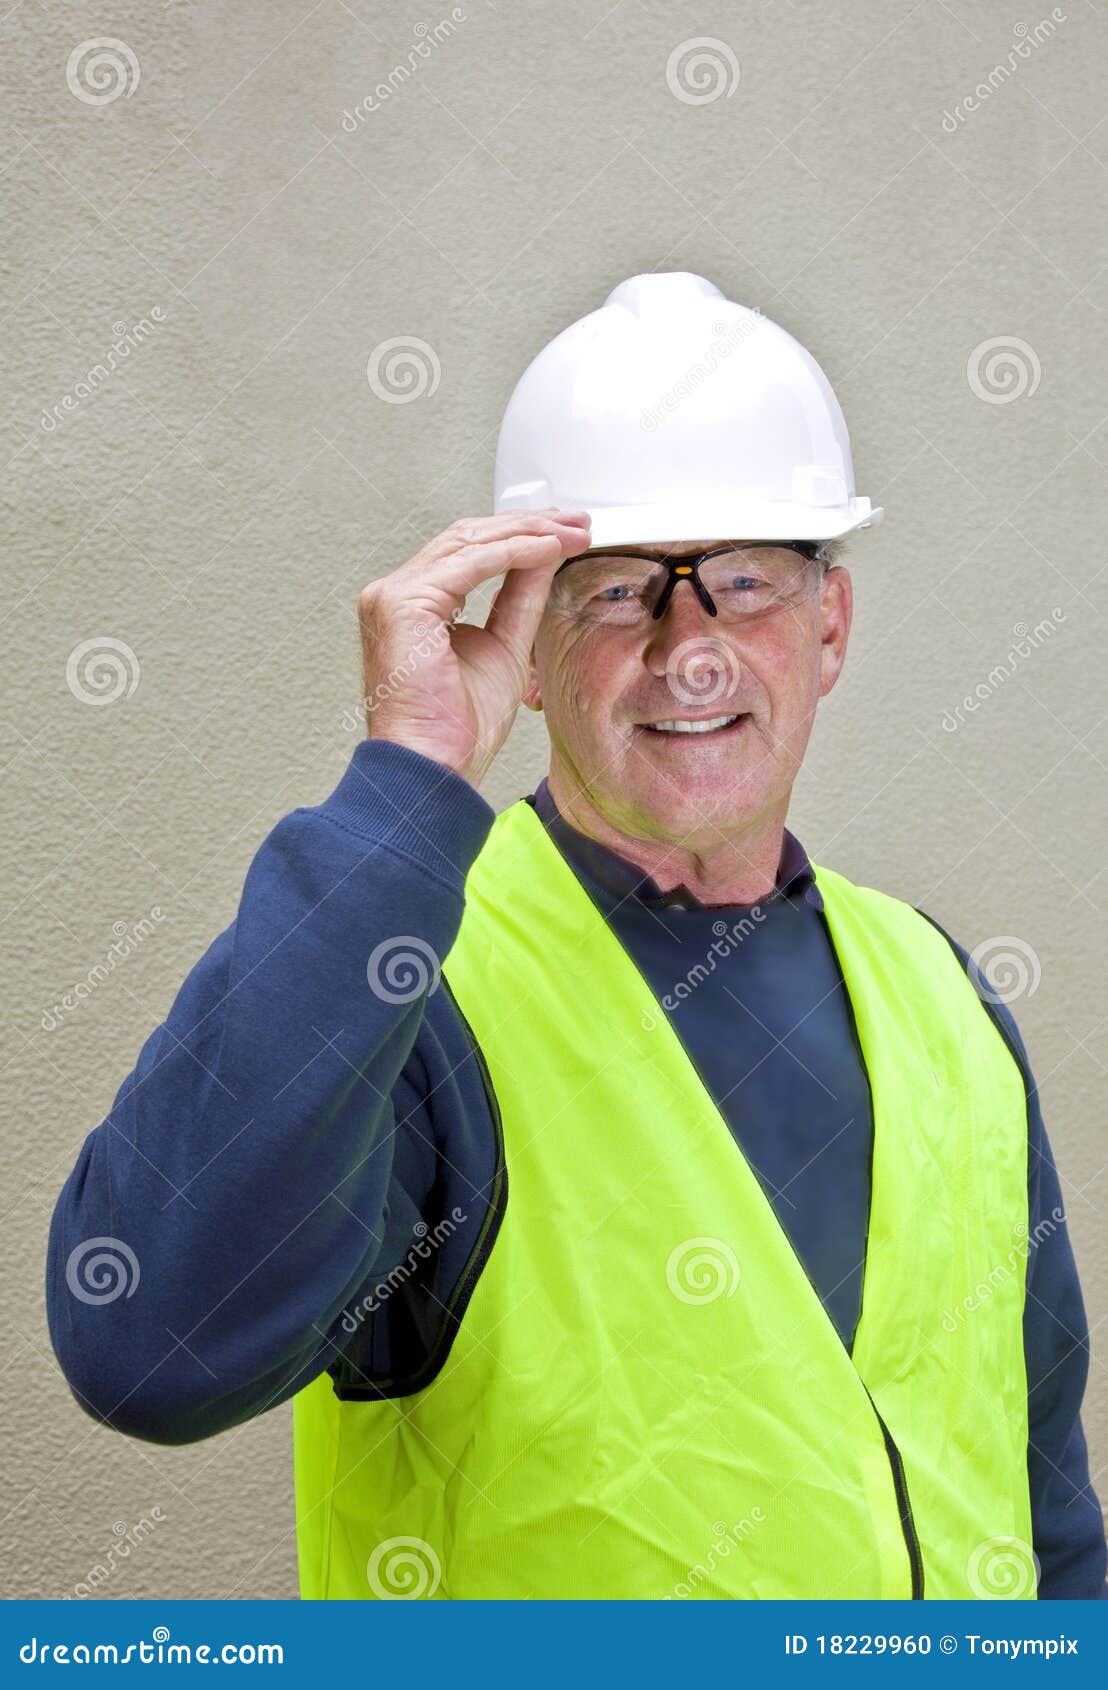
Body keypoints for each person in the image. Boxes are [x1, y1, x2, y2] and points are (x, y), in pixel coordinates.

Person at [47, 273, 1106, 1601]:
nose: (694, 651)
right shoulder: (420, 991)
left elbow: (1042, 1501)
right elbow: (148, 1338)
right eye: (617, 595)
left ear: (829, 627)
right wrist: (405, 780)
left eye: (743, 582)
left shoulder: (940, 996)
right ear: (528, 649)